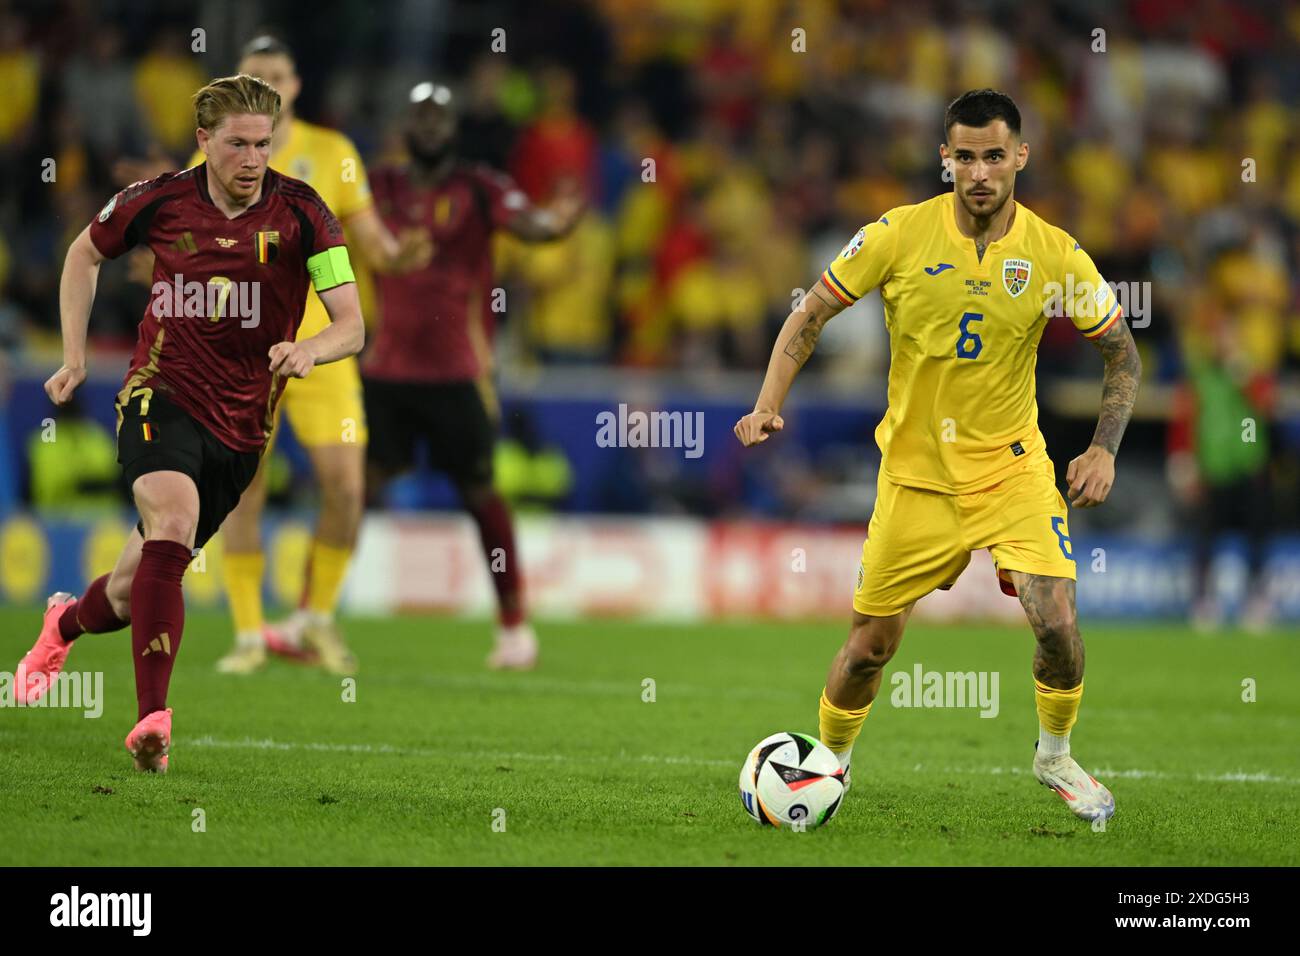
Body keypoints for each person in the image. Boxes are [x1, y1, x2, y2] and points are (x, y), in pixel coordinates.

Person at [734, 90, 1142, 823]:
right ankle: (829, 767)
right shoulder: (897, 234)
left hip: (1013, 467)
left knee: (1057, 621)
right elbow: (811, 313)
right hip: (916, 477)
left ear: (1021, 156)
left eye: (993, 155)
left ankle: (1055, 754)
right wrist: (768, 404)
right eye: (964, 156)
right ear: (944, 158)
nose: (979, 172)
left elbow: (1123, 355)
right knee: (868, 649)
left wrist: (1102, 450)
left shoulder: (1054, 252)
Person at [13, 73, 366, 771]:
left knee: (124, 591)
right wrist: (75, 356)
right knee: (172, 519)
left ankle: (64, 622)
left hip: (241, 429)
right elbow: (83, 253)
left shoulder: (304, 213)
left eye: (263, 145)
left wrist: (310, 347)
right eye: (237, 144)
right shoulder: (160, 200)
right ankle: (152, 722)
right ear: (204, 140)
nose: (252, 160)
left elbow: (352, 324)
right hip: (160, 393)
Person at [363, 82, 583, 669]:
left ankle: (514, 628)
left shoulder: (480, 189)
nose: (430, 127)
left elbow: (533, 225)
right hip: (386, 366)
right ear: (406, 125)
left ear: (452, 128)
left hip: (460, 370)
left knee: (481, 495)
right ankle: (312, 618)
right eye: (421, 117)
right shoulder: (376, 186)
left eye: (440, 117)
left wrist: (557, 221)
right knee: (351, 488)